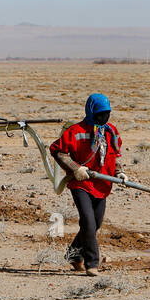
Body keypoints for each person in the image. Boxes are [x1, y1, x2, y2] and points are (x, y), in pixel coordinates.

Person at [49, 92, 123, 275]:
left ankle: (73, 255)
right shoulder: (76, 132)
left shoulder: (111, 131)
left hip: (102, 184)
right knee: (88, 223)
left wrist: (119, 172)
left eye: (107, 113)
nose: (104, 117)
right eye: (100, 113)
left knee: (95, 224)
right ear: (91, 112)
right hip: (81, 184)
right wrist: (75, 168)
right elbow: (58, 151)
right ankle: (92, 264)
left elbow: (114, 155)